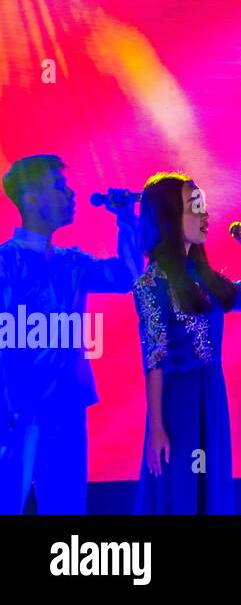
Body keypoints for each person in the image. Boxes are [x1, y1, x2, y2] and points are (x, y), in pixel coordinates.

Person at [0, 154, 141, 515]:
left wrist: (126, 221)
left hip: (66, 402)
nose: (71, 195)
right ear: (31, 199)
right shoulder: (7, 262)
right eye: (59, 187)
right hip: (16, 407)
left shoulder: (71, 262)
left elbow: (126, 278)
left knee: (66, 504)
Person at [132, 173, 241, 514]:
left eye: (203, 207)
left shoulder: (206, 279)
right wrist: (156, 428)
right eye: (193, 208)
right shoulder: (152, 282)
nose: (204, 215)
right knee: (180, 487)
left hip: (211, 394)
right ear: (168, 216)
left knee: (209, 486)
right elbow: (154, 359)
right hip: (177, 399)